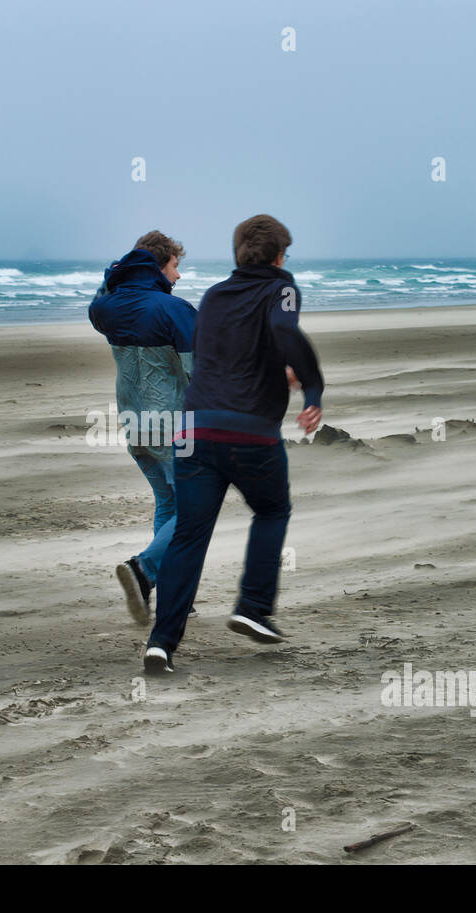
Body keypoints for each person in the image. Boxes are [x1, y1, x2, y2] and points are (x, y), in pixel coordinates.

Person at [143, 214, 323, 674]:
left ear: (238, 253)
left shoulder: (214, 296)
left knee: (188, 534)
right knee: (272, 510)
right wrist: (312, 388)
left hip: (194, 430)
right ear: (281, 255)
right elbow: (284, 332)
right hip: (248, 433)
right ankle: (253, 607)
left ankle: (161, 644)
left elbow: (218, 362)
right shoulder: (282, 287)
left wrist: (273, 374)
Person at [88, 231, 197, 624]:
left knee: (169, 504)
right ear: (158, 266)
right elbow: (197, 373)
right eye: (174, 266)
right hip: (174, 428)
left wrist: (113, 274)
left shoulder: (105, 309)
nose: (178, 276)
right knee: (193, 513)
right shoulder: (174, 310)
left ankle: (168, 590)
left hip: (134, 425)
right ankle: (143, 571)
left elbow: (102, 296)